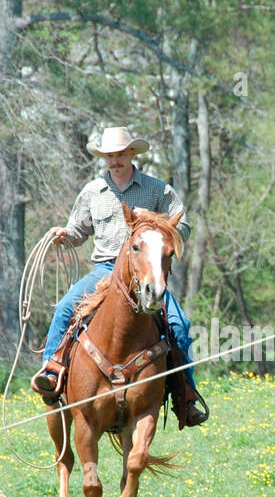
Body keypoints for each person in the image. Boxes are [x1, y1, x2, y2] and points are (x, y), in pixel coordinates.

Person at [31, 126, 208, 427]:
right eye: (110, 156)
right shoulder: (92, 191)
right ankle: (52, 368)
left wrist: (153, 221)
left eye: (120, 155)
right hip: (104, 269)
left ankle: (186, 396)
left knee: (179, 324)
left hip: (145, 270)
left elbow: (183, 226)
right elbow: (78, 231)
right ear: (105, 158)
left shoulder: (156, 189)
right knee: (64, 308)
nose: (115, 161)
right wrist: (64, 235)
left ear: (131, 154)